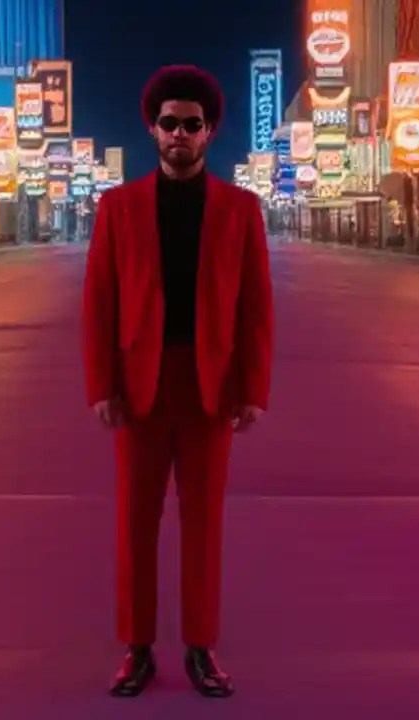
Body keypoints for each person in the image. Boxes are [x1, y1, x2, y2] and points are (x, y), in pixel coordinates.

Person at [82, 65, 273, 699]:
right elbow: (99, 303)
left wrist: (253, 389)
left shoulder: (242, 209)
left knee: (204, 521)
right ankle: (136, 650)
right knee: (135, 522)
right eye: (169, 124)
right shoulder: (118, 207)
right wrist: (101, 385)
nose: (179, 135)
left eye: (192, 124)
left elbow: (255, 306)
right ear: (152, 129)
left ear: (210, 130)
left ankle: (200, 648)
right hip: (139, 387)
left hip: (209, 386)